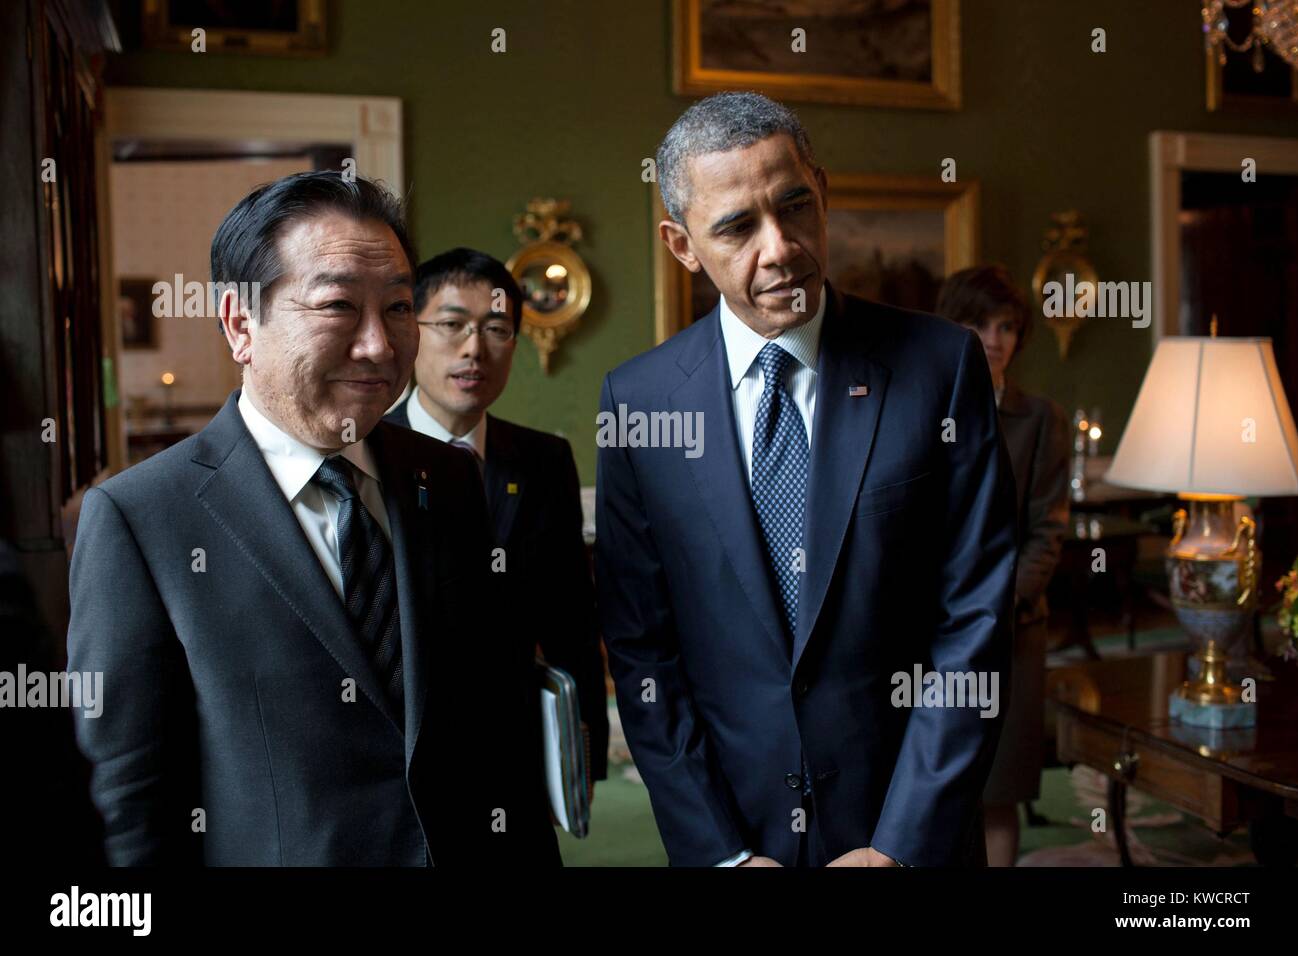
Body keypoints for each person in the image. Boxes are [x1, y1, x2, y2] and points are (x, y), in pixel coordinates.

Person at [67, 171, 555, 866]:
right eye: (337, 307)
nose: (380, 347)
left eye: (395, 309)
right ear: (240, 324)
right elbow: (127, 801)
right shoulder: (142, 520)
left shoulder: (445, 479)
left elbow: (497, 727)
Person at [596, 92, 1018, 867]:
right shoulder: (638, 401)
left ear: (822, 190)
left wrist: (901, 844)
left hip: (908, 826)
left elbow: (976, 621)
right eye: (736, 227)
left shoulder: (940, 366)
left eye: (794, 206)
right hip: (736, 833)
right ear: (681, 244)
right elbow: (642, 653)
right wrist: (720, 851)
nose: (781, 247)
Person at [385, 247, 609, 794]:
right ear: (412, 331)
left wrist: (585, 750)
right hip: (404, 753)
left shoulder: (543, 460)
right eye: (452, 325)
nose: (474, 349)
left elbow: (571, 619)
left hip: (515, 748)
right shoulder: (367, 455)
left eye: (497, 329)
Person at [936, 265, 1070, 867]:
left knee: (998, 793)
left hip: (1011, 632)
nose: (993, 337)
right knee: (929, 789)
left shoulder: (1041, 419)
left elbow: (1048, 532)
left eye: (1007, 326)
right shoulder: (917, 407)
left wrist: (993, 608)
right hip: (926, 634)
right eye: (977, 322)